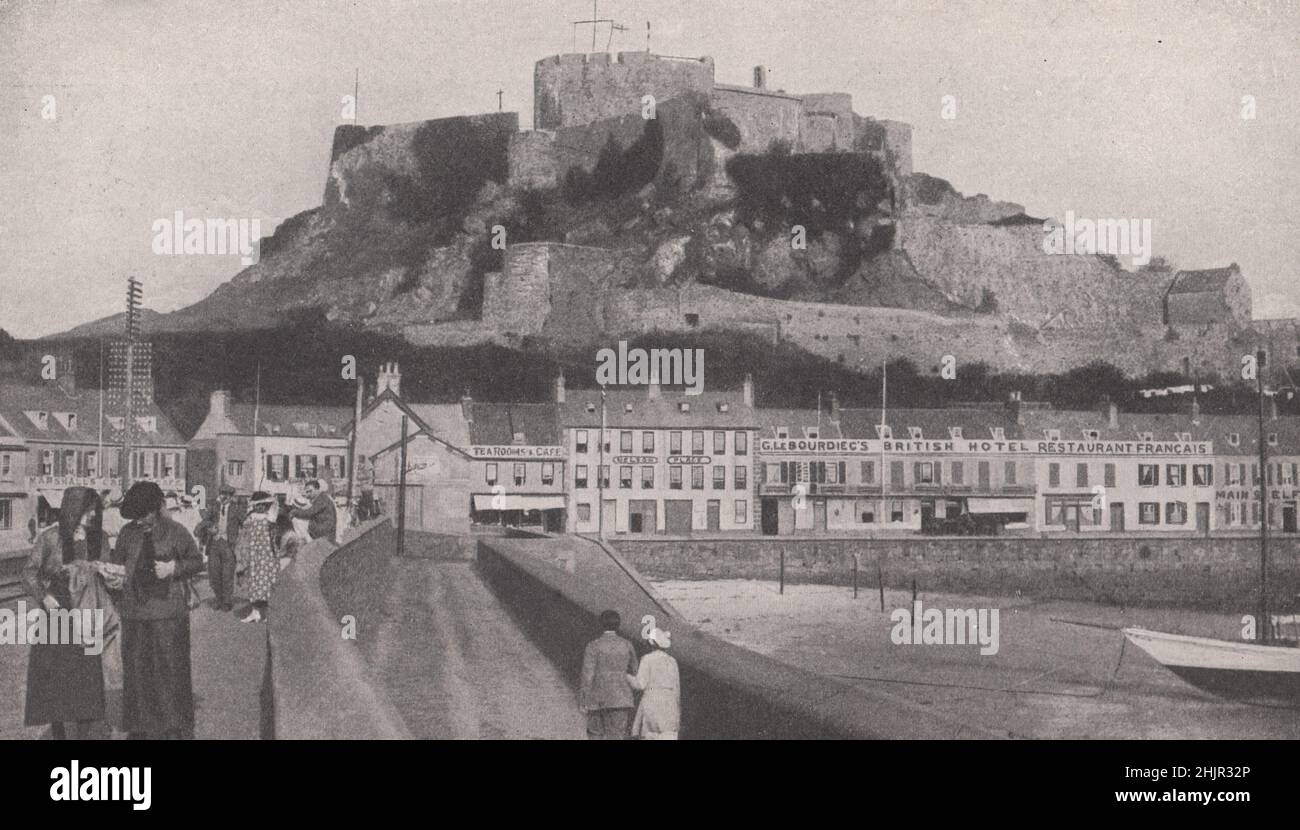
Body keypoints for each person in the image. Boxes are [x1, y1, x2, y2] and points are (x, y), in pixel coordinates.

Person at [22, 487, 117, 740]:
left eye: (94, 511)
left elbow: (107, 575)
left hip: (88, 611)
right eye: (87, 511)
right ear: (72, 511)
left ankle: (83, 733)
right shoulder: (50, 538)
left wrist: (108, 574)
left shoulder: (101, 539)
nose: (92, 516)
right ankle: (60, 733)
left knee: (88, 677)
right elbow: (29, 573)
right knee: (55, 677)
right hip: (57, 612)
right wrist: (44, 597)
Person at [112, 481, 203, 739]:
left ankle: (172, 726)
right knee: (137, 672)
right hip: (134, 615)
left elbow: (196, 561)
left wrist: (173, 568)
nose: (139, 521)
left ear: (156, 509)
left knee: (170, 671)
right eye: (135, 517)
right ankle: (140, 727)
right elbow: (118, 564)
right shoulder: (127, 534)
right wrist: (114, 575)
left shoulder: (176, 531)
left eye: (144, 515)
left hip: (167, 615)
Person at [578, 610, 638, 740]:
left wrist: (583, 700)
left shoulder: (593, 646)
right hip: (621, 698)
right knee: (617, 736)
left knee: (595, 734)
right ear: (618, 625)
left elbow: (587, 675)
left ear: (601, 624)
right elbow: (634, 670)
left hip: (597, 699)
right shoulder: (627, 645)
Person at [627, 627, 681, 740]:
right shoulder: (672, 661)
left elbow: (640, 684)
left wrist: (626, 676)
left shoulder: (647, 659)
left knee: (649, 735)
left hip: (652, 701)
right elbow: (677, 689)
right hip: (670, 702)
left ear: (651, 644)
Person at [196, 485, 243, 612]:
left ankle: (227, 601)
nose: (223, 497)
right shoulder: (214, 507)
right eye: (222, 493)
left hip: (229, 544)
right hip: (214, 544)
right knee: (214, 573)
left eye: (227, 494)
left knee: (227, 574)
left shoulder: (236, 509)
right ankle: (218, 599)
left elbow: (245, 523)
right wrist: (209, 528)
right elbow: (205, 520)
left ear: (231, 496)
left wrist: (240, 540)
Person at [236, 491, 278, 623]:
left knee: (267, 583)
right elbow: (243, 535)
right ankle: (255, 612)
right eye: (257, 505)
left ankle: (267, 614)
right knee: (254, 582)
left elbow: (274, 535)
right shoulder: (250, 518)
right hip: (253, 554)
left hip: (267, 555)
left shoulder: (270, 518)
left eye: (263, 505)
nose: (259, 508)